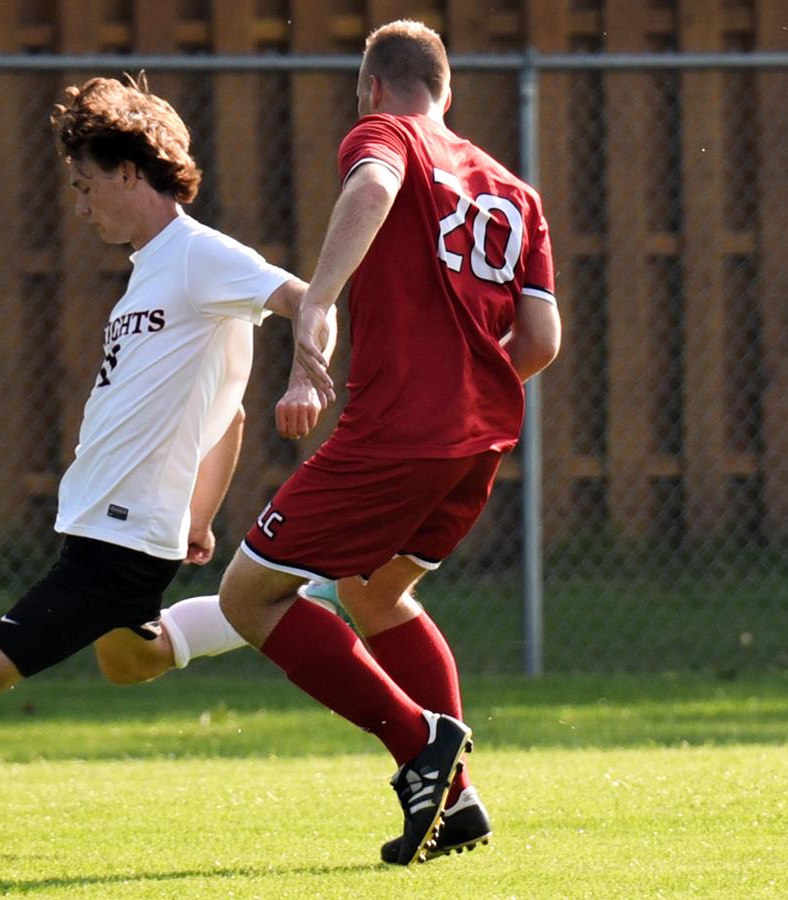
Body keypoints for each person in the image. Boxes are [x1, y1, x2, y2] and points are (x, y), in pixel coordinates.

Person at [0, 73, 309, 863]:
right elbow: (230, 413)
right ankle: (291, 598)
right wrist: (204, 516)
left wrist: (309, 374)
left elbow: (310, 301)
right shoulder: (154, 269)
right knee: (131, 660)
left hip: (121, 540)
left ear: (129, 174)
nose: (80, 207)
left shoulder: (202, 256)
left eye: (85, 186)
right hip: (105, 530)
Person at [215, 19, 561, 867]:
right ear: (449, 91)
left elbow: (372, 186)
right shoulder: (515, 191)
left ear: (373, 87)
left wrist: (318, 305)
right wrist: (471, 391)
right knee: (376, 597)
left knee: (247, 597)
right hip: (479, 439)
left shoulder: (383, 132)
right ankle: (459, 801)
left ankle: (419, 746)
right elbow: (543, 338)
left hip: (397, 431)